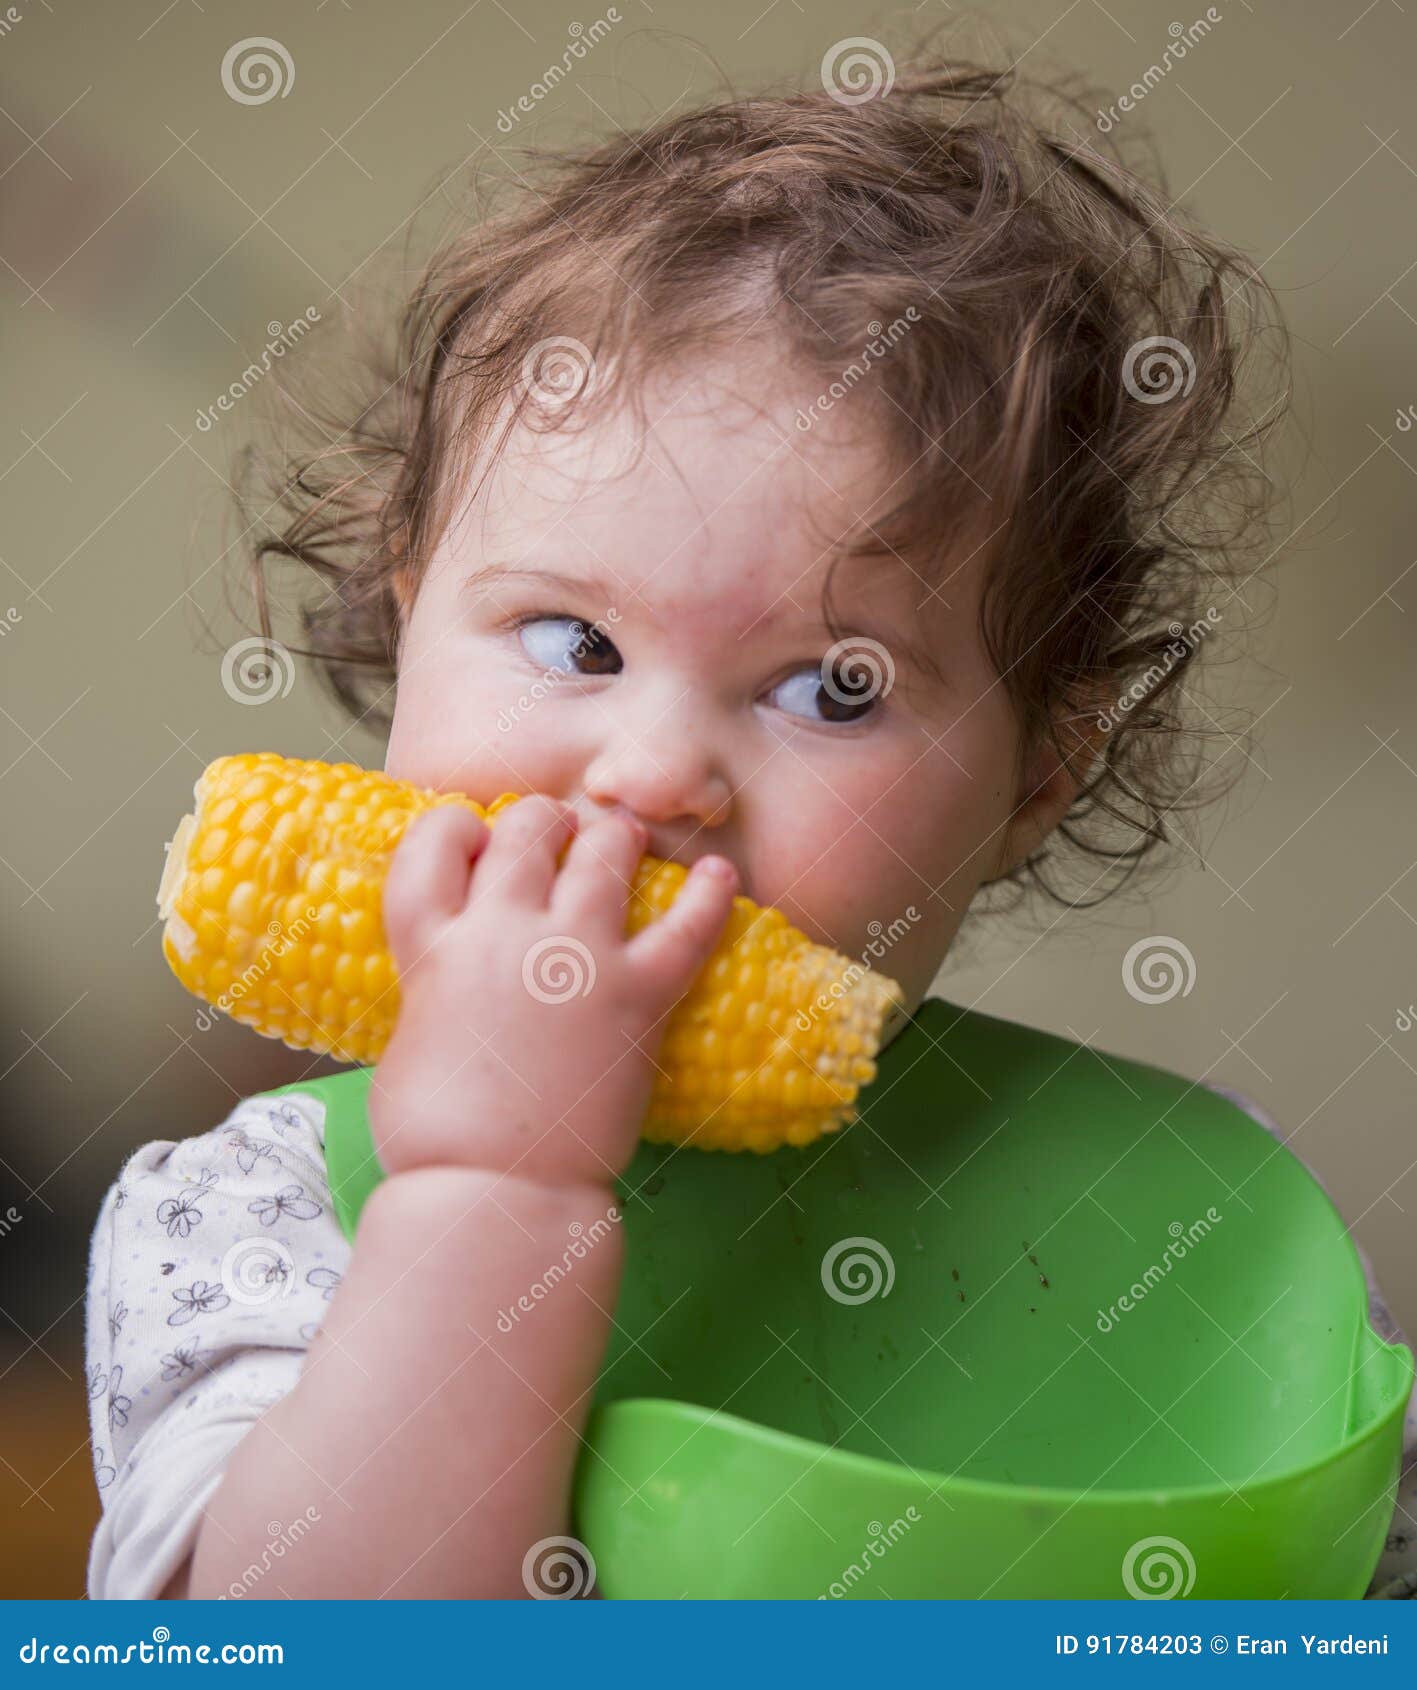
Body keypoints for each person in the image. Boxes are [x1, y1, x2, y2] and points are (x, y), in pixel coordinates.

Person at [84, 49, 1415, 1598]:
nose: (651, 775)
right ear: (406, 624)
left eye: (831, 688)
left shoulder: (1195, 1219)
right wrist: (492, 1188)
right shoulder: (249, 1215)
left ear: (1035, 780)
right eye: (573, 643)